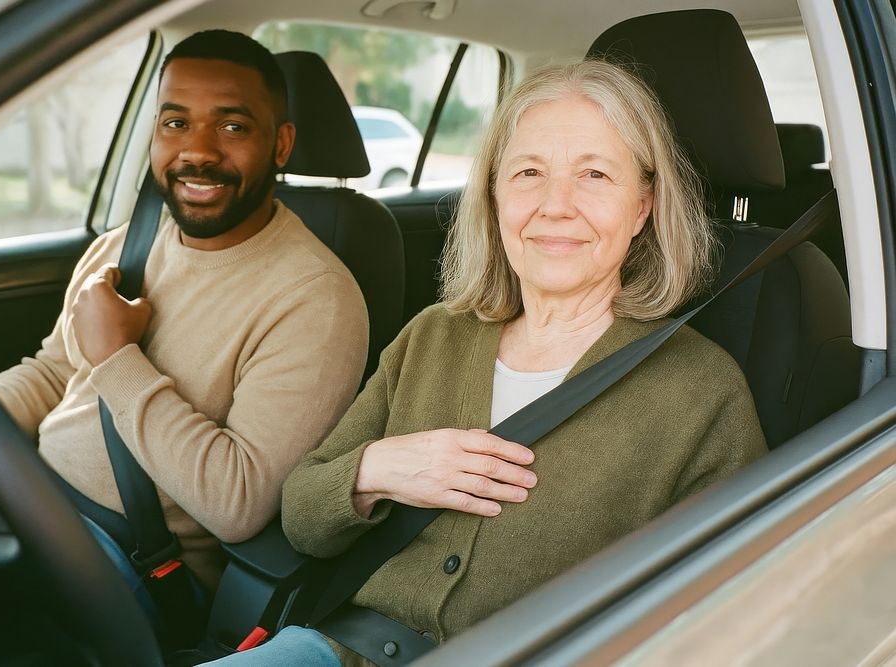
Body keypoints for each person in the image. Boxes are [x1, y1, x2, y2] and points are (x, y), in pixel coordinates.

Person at [202, 59, 768, 665]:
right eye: (529, 172)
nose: (556, 205)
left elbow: (731, 616)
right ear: (494, 195)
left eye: (595, 175)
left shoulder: (701, 391)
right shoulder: (434, 335)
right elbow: (303, 518)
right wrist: (380, 468)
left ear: (642, 207)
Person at [0, 30, 369, 592]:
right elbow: (53, 372)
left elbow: (238, 501)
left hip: (131, 564)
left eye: (233, 126)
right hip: (26, 498)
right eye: (176, 123)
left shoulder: (316, 300)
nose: (198, 151)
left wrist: (118, 356)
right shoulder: (130, 242)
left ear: (281, 145)